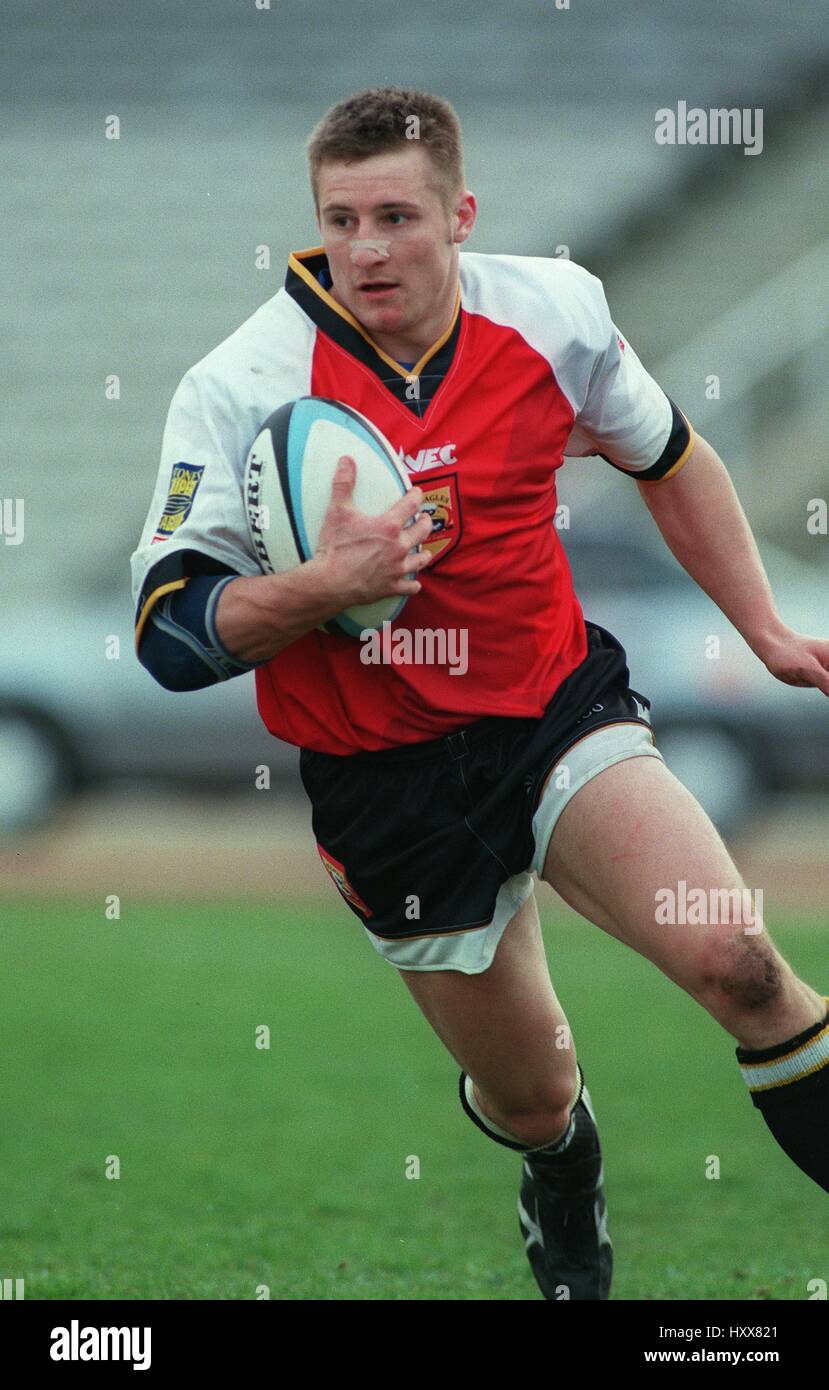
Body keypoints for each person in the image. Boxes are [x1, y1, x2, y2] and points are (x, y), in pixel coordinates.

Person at [131, 86, 829, 1300]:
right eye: (339, 220)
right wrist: (320, 585)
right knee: (533, 1090)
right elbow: (170, 635)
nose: (365, 249)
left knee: (742, 965)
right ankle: (562, 1167)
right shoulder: (241, 387)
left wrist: (761, 624)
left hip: (555, 714)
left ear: (460, 213)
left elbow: (667, 454)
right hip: (383, 783)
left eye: (395, 216)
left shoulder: (554, 312)